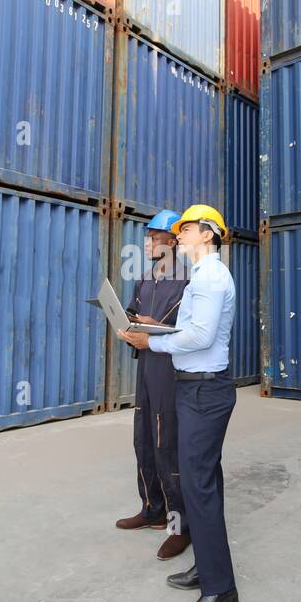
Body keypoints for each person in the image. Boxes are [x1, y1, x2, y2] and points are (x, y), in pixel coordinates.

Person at [117, 204, 239, 602]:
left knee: (199, 486)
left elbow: (201, 337)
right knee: (204, 483)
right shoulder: (202, 276)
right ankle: (207, 567)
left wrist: (153, 344)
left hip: (204, 389)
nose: (179, 235)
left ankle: (220, 590)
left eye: (186, 229)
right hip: (197, 387)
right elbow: (189, 330)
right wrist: (151, 328)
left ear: (208, 235)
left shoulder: (209, 276)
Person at [114, 209, 191, 561]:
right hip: (146, 364)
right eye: (147, 236)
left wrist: (153, 324)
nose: (147, 243)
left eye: (154, 237)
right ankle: (153, 509)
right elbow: (133, 311)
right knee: (143, 437)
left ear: (173, 241)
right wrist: (126, 324)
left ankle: (181, 525)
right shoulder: (146, 278)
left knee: (166, 443)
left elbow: (190, 332)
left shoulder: (189, 279)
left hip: (171, 369)